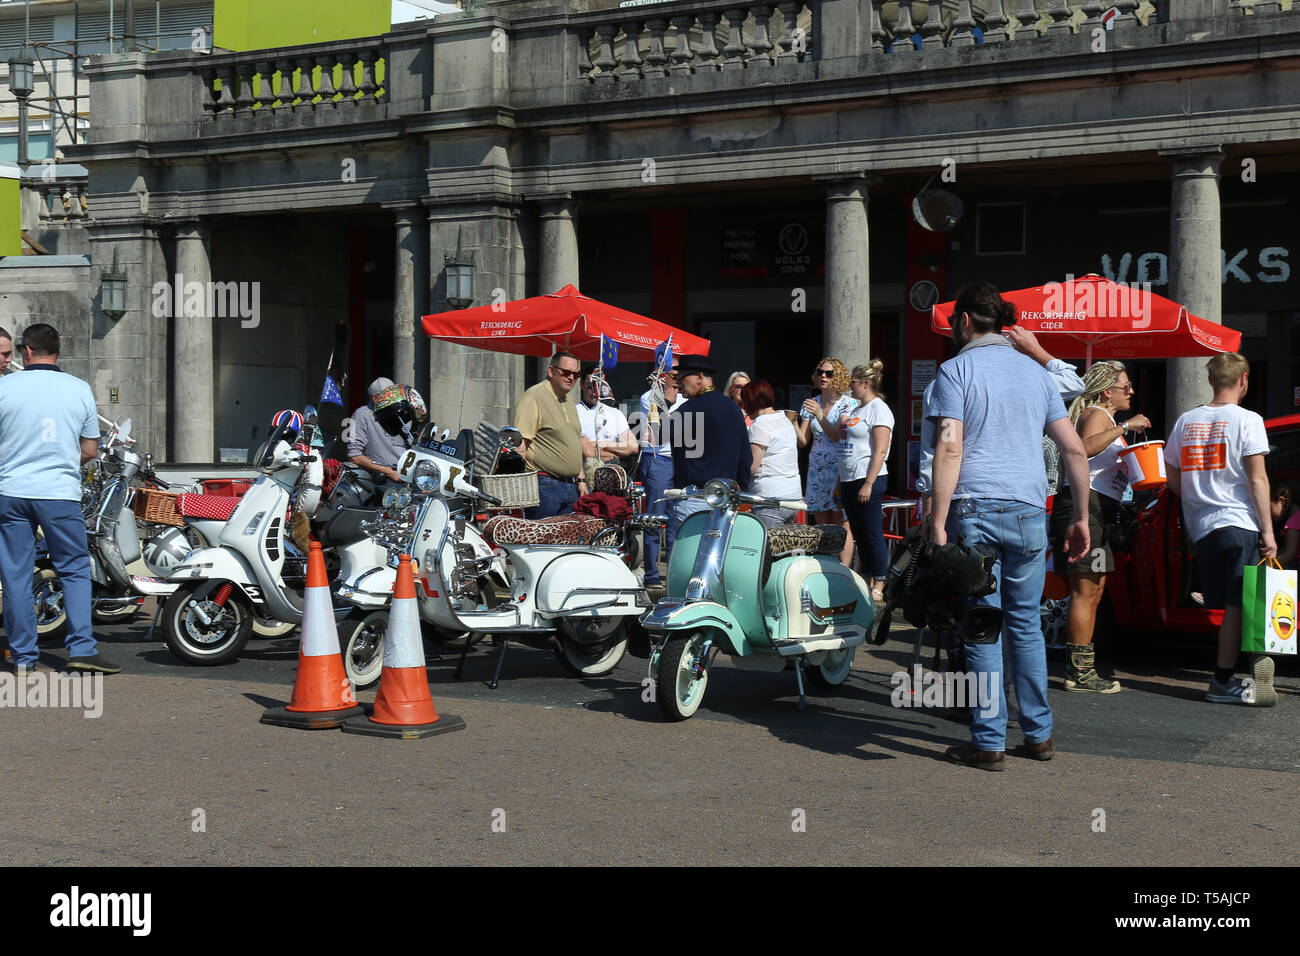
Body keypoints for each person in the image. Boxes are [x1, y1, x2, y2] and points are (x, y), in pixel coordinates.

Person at [929, 282, 1092, 770]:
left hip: (975, 507)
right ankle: (1039, 735)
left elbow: (950, 447)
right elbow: (1075, 450)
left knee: (983, 624)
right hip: (1028, 510)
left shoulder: (954, 371)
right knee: (1026, 626)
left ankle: (989, 742)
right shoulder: (1036, 374)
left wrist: (937, 520)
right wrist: (1081, 515)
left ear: (963, 322)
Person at [0, 324, 118, 674]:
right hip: (59, 493)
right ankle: (82, 648)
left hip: (12, 491)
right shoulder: (79, 389)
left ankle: (23, 657)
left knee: (16, 575)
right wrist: (64, 458)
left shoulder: (4, 388)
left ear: (26, 351)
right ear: (57, 352)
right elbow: (90, 449)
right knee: (75, 569)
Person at [1164, 352, 1277, 706]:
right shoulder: (1249, 420)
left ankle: (1235, 670)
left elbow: (1172, 476)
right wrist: (1269, 531)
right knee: (1237, 604)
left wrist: (1199, 498)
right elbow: (1258, 480)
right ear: (1244, 379)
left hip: (1202, 527)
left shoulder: (1186, 420)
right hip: (1238, 520)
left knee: (1228, 603)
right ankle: (1223, 679)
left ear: (1211, 381)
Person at [1050, 360, 1152, 695]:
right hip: (1084, 507)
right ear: (1108, 390)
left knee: (1095, 589)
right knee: (1085, 590)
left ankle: (1083, 667)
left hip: (1100, 510)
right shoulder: (1097, 412)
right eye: (1126, 386)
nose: (1131, 392)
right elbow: (1085, 448)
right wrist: (1126, 427)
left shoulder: (1103, 417)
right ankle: (1079, 672)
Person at [827, 361, 894, 601]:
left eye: (853, 382)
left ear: (866, 384)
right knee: (858, 532)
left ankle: (880, 581)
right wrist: (839, 481)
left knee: (872, 532)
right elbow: (844, 445)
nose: (850, 387)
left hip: (867, 476)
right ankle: (865, 577)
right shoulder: (856, 410)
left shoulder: (879, 409)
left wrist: (869, 482)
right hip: (849, 477)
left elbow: (880, 449)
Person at [668, 354, 751, 536]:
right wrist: (741, 492)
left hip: (694, 499)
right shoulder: (733, 409)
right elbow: (746, 459)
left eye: (682, 377)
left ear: (699, 376)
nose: (678, 383)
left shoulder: (686, 410)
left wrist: (665, 402)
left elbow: (650, 436)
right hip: (726, 498)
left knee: (688, 561)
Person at [796, 357, 857, 566]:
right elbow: (803, 441)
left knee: (841, 523)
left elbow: (839, 437)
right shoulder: (812, 403)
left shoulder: (849, 404)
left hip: (839, 465)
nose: (823, 376)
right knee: (821, 522)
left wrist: (820, 416)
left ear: (837, 376)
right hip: (817, 466)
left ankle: (844, 570)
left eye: (828, 373)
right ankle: (827, 567)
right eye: (820, 372)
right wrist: (792, 422)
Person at [515, 351, 588, 518]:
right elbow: (520, 444)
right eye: (566, 372)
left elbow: (574, 443)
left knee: (568, 542)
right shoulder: (533, 396)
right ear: (551, 372)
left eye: (576, 374)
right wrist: (522, 485)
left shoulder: (568, 399)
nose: (571, 377)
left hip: (571, 487)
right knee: (541, 542)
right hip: (545, 486)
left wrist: (581, 480)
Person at [639, 357, 685, 585]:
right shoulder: (649, 398)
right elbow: (659, 433)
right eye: (673, 371)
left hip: (680, 460)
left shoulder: (686, 397)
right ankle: (651, 575)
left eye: (679, 370)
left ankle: (675, 575)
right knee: (654, 520)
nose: (678, 374)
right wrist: (666, 399)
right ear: (660, 373)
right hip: (658, 459)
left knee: (678, 522)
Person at [741, 379, 803, 527]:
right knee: (782, 548)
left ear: (750, 401)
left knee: (766, 548)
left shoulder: (761, 425)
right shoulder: (784, 418)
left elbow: (752, 466)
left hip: (770, 499)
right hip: (793, 496)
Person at [347, 377, 409, 486]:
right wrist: (388, 472)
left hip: (409, 474)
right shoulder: (361, 415)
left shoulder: (400, 412)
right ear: (375, 398)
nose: (393, 399)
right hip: (384, 478)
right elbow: (354, 456)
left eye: (394, 395)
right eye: (388, 396)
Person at [576, 370, 638, 475]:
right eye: (591, 385)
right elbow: (587, 451)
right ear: (582, 384)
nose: (595, 390)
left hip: (613, 475)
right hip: (588, 474)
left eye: (600, 385)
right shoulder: (575, 412)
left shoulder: (615, 413)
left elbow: (633, 447)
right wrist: (617, 450)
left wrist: (599, 445)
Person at [1271, 479, 1299, 569]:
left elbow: (1289, 554)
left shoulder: (1295, 520)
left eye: (1268, 508)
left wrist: (1267, 568)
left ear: (1281, 500)